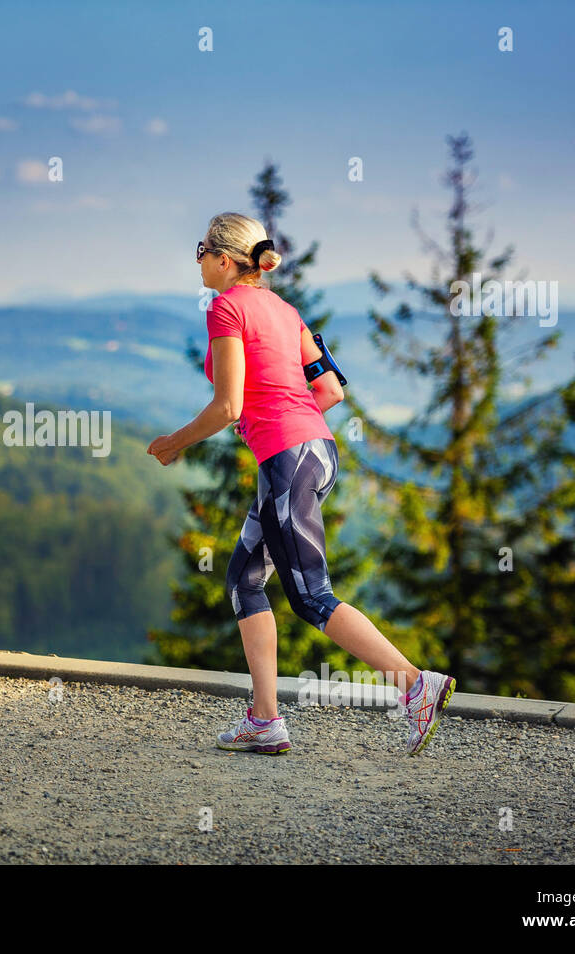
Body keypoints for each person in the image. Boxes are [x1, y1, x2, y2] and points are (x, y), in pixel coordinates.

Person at [147, 212, 455, 756]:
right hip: (317, 452)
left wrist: (175, 442)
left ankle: (415, 686)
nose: (197, 260)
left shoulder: (225, 307)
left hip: (289, 461)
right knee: (245, 580)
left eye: (201, 249)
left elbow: (227, 406)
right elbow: (332, 389)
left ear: (223, 259)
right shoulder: (286, 311)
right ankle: (265, 720)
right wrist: (286, 421)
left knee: (312, 597)